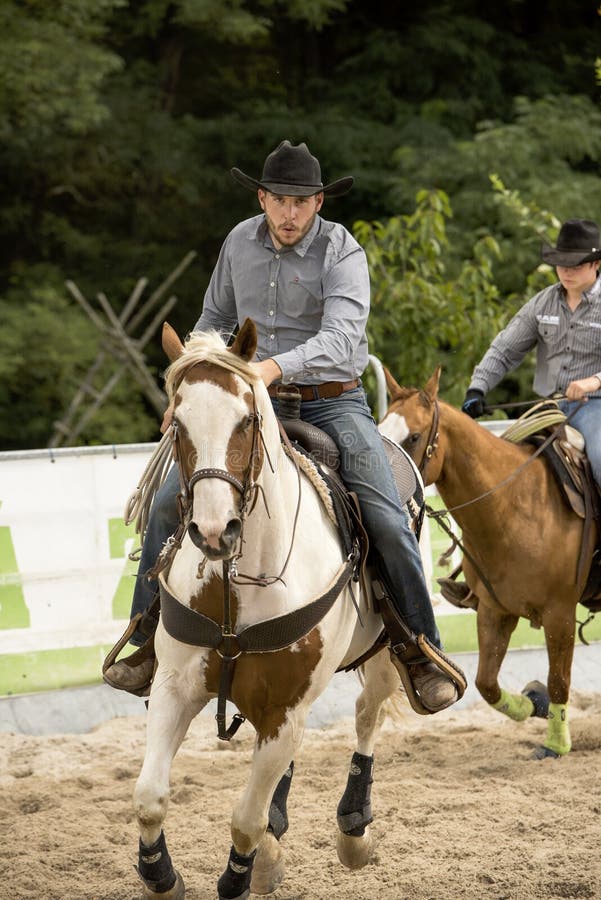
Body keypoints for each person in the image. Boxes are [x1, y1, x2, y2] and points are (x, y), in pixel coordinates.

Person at [103, 140, 465, 713]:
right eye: (278, 200)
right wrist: (191, 385)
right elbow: (214, 321)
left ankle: (420, 648)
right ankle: (145, 638)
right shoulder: (237, 242)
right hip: (242, 403)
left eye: (301, 202)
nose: (289, 213)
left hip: (331, 401)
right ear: (262, 198)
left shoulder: (342, 251)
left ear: (319, 201)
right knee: (170, 499)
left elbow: (343, 339)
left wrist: (269, 368)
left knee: (387, 515)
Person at [461, 218, 601, 487]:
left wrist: (594, 381)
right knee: (503, 462)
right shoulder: (542, 303)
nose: (567, 271)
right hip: (549, 406)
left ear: (596, 264)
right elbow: (505, 349)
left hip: (595, 405)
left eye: (576, 264)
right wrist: (477, 389)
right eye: (562, 263)